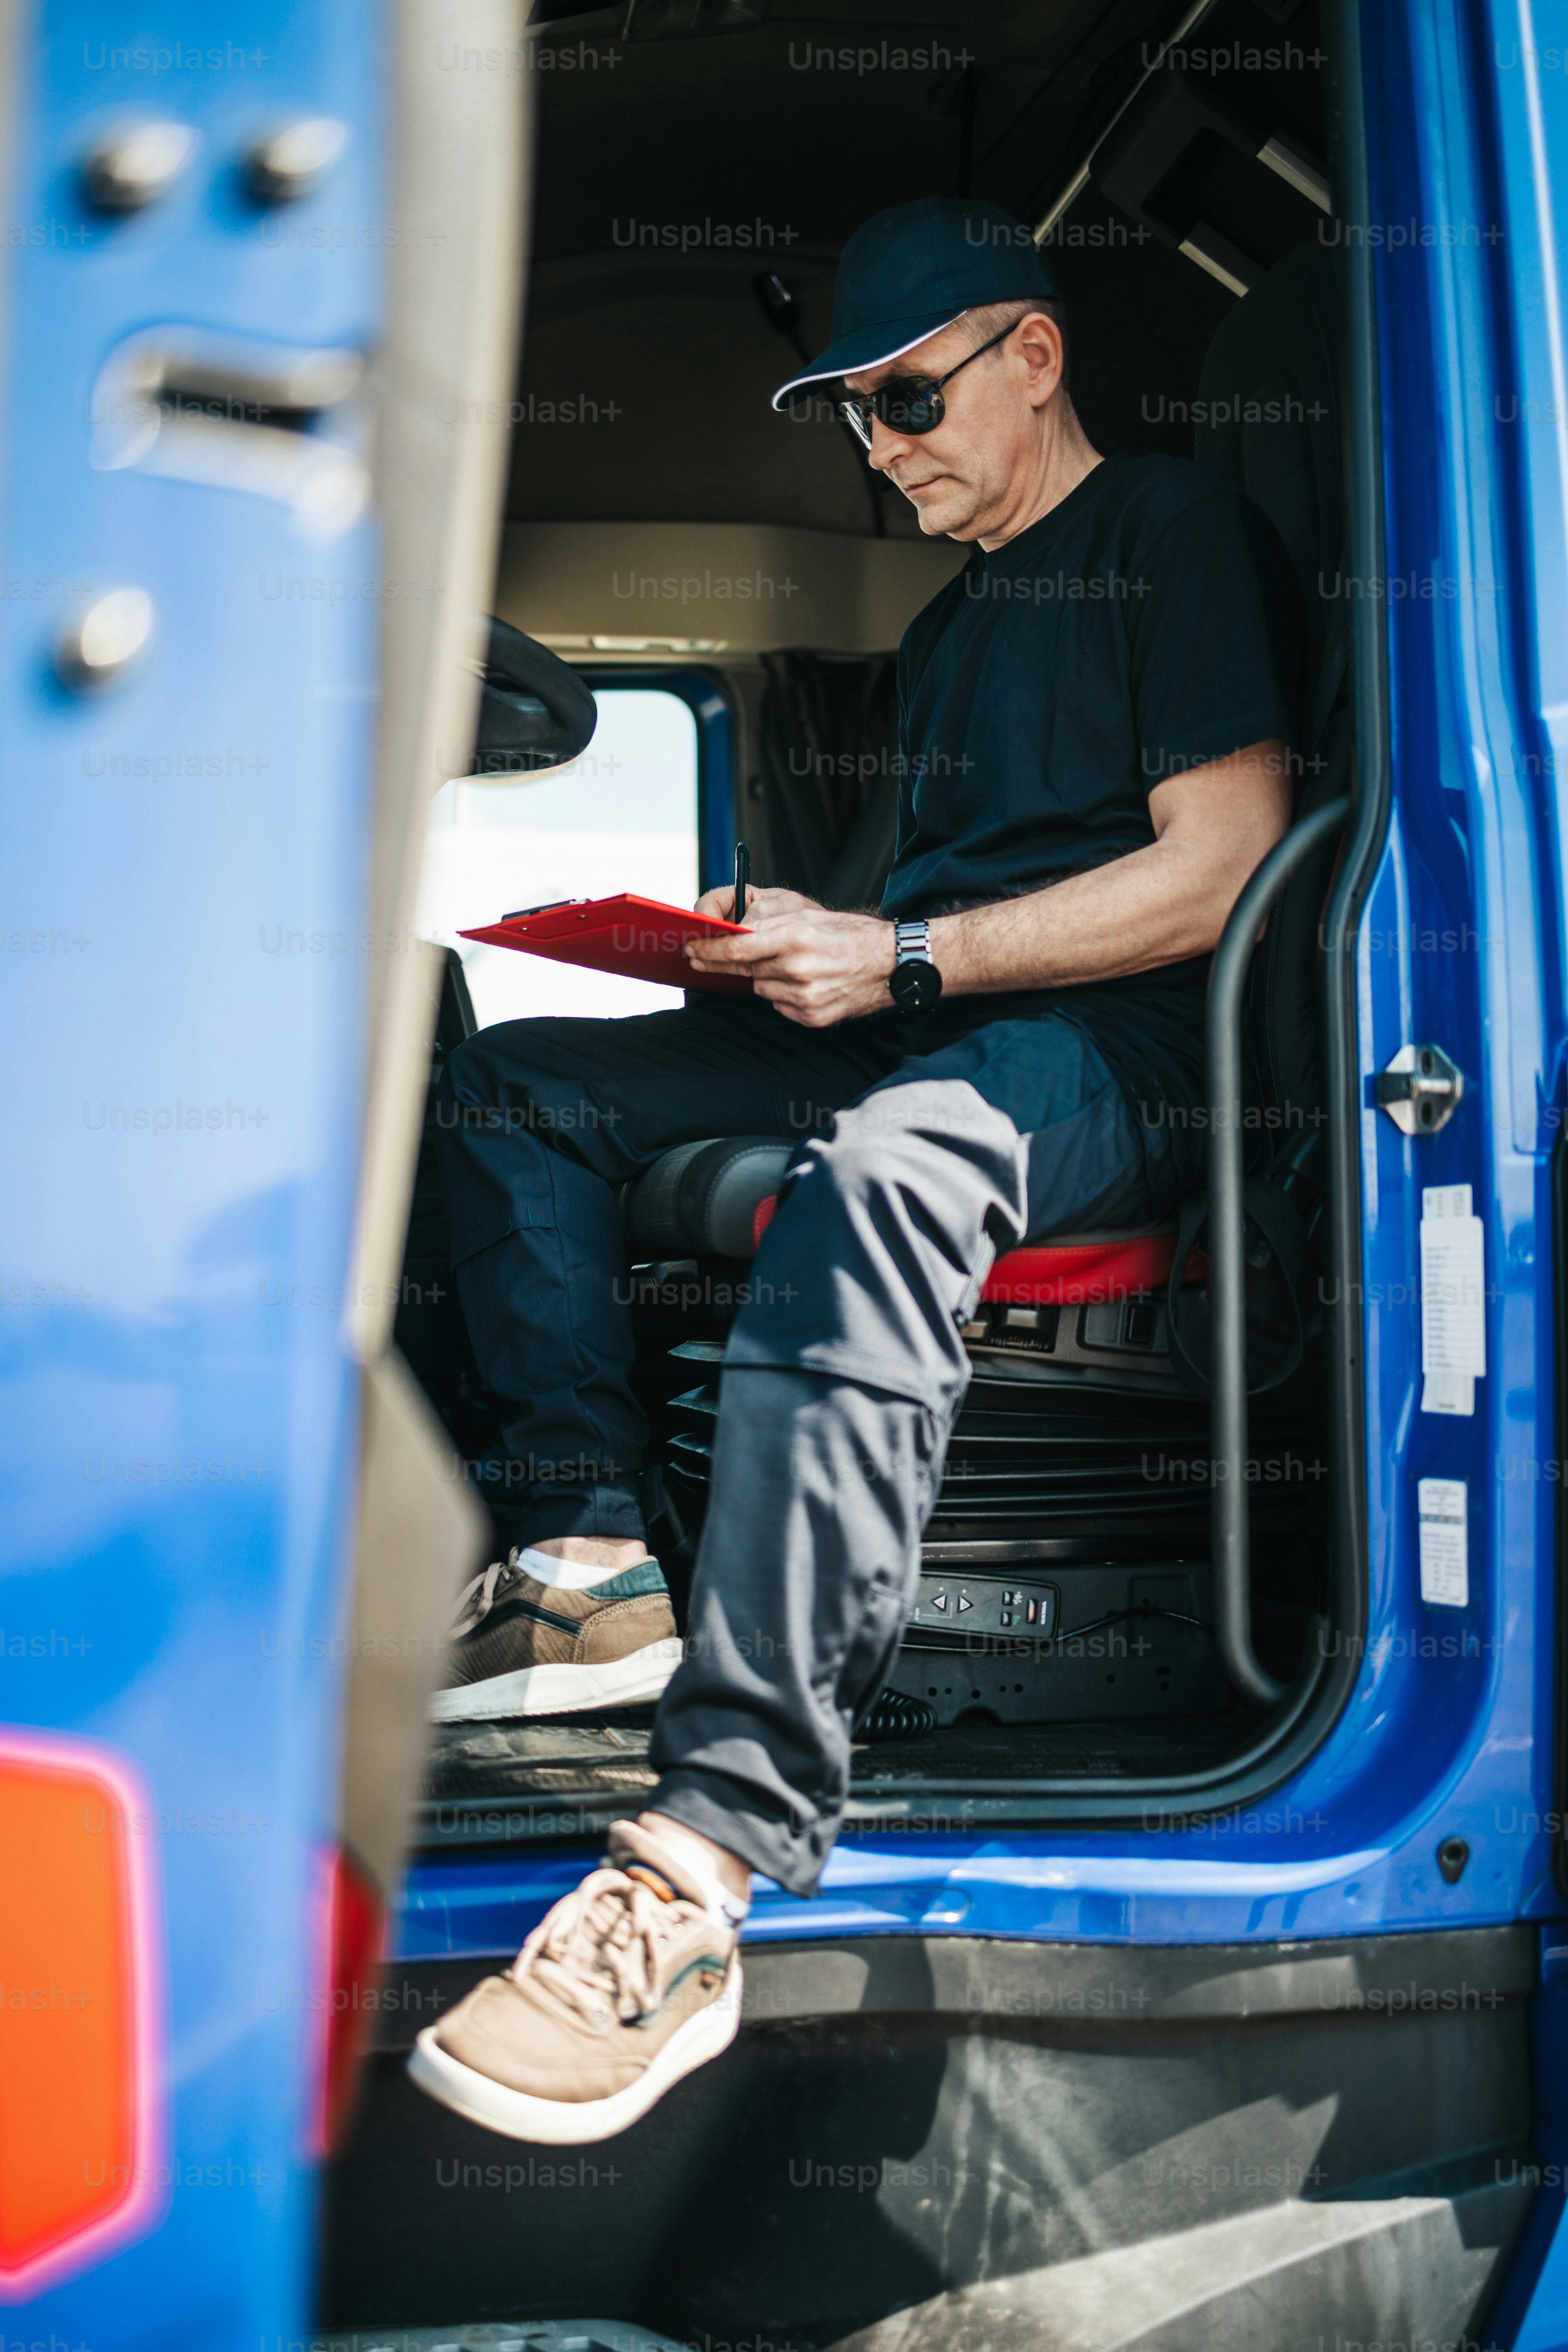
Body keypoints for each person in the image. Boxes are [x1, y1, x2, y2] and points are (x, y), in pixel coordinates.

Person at [407, 196, 1302, 2145]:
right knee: (510, 1078)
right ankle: (583, 1560)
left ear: (1035, 357)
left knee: (895, 1169)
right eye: (853, 419)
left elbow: (1224, 862)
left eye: (907, 397)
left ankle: (705, 1862)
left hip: (1127, 1058)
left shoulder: (1168, 535)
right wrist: (788, 947)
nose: (883, 447)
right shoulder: (964, 618)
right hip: (937, 1016)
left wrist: (899, 960)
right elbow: (944, 913)